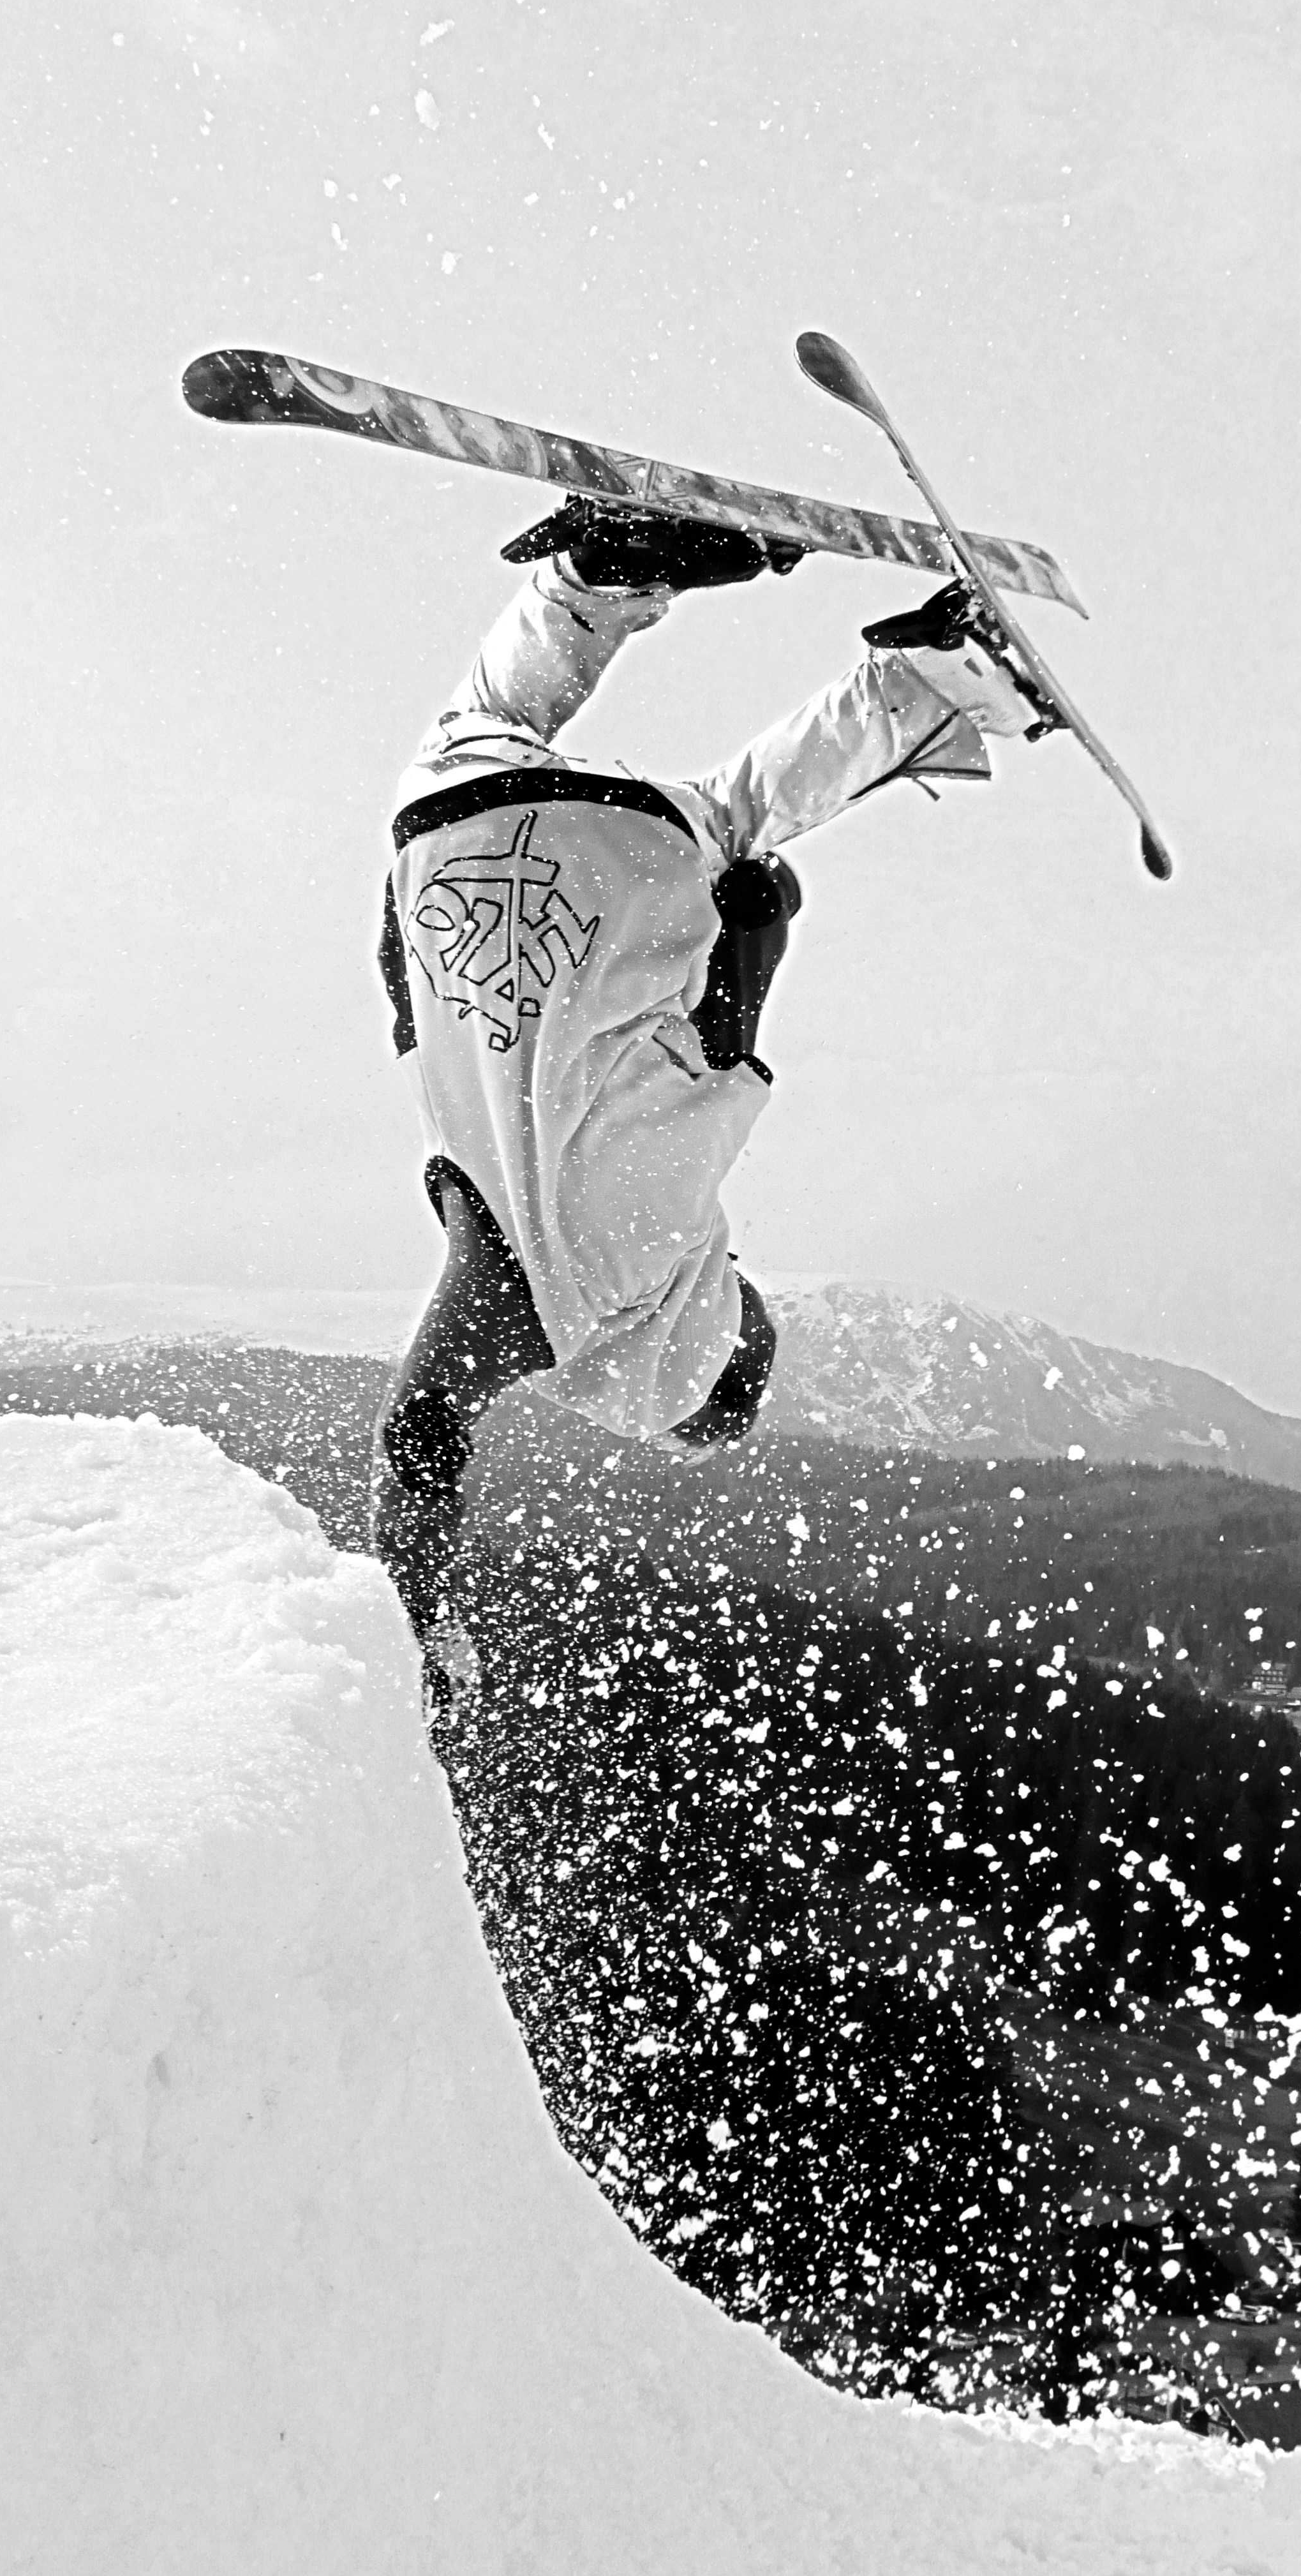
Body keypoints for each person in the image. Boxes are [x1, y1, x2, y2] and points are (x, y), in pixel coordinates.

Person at [369, 496, 1039, 1717]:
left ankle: (937, 678)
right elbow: (415, 1444)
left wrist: (758, 915)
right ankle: (595, 576)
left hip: (606, 870)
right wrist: (421, 1612)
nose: (756, 1303)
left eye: (752, 1333)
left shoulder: (619, 1266)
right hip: (446, 853)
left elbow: (731, 1003)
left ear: (698, 1347)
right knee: (483, 726)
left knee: (736, 821)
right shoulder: (498, 1306)